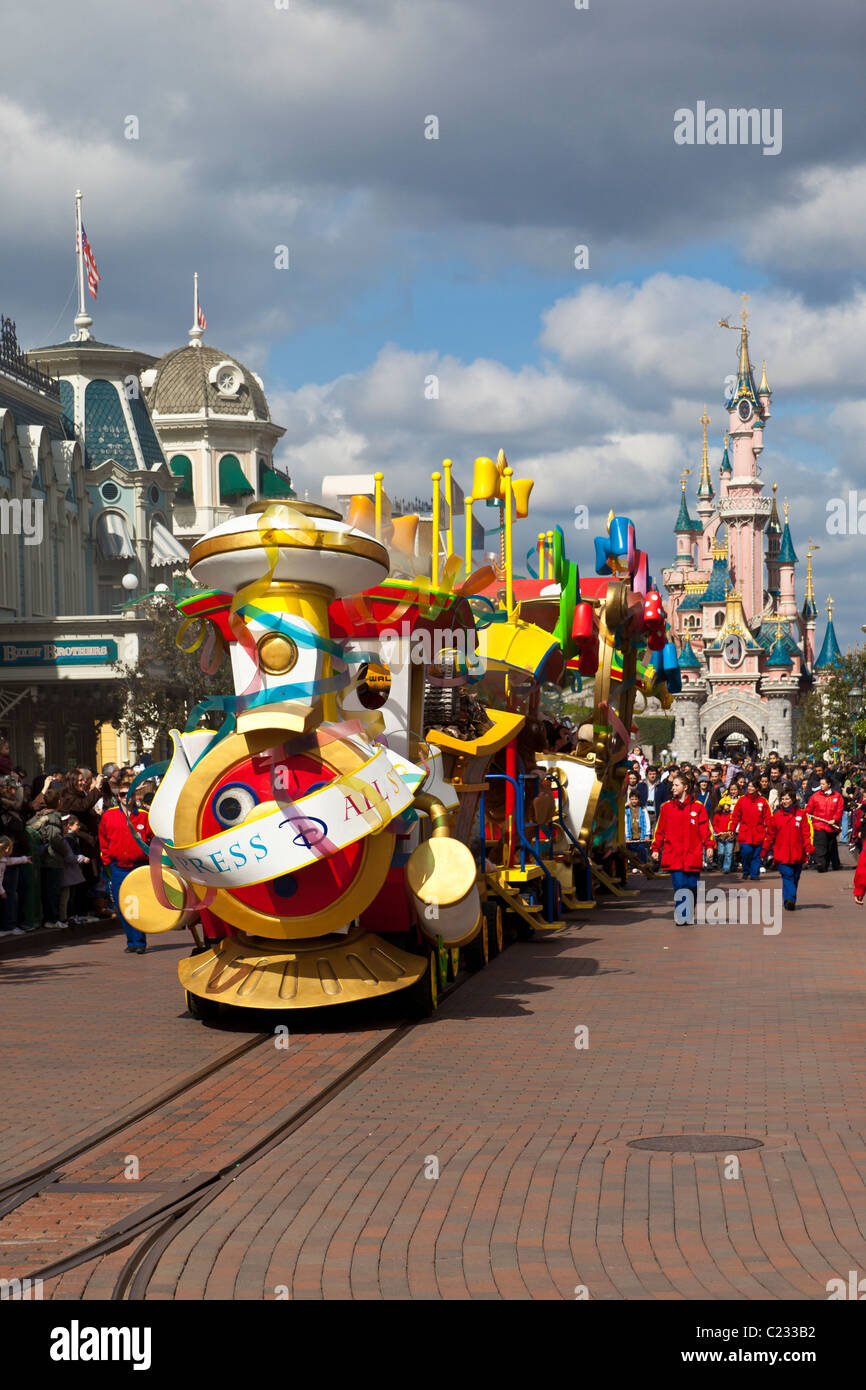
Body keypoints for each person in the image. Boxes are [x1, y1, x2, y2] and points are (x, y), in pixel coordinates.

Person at [650, 772, 715, 924]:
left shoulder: (698, 807)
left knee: (692, 885)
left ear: (685, 787)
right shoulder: (666, 808)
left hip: (693, 853)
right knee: (680, 885)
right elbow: (659, 830)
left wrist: (709, 845)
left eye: (676, 785)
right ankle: (681, 915)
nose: (673, 788)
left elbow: (706, 829)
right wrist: (655, 848)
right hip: (674, 854)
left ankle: (689, 912)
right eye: (673, 785)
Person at [98, 776, 151, 953]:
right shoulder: (109, 815)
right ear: (118, 796)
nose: (125, 798)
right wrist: (107, 860)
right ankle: (131, 941)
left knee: (139, 904)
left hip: (138, 866)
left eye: (129, 794)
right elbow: (103, 840)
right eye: (122, 794)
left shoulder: (144, 816)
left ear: (135, 796)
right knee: (123, 905)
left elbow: (152, 841)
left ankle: (139, 942)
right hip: (117, 867)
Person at [765, 784, 813, 911]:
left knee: (795, 877)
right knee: (787, 875)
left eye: (787, 799)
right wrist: (765, 849)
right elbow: (770, 835)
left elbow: (806, 832)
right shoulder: (776, 816)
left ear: (792, 800)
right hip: (781, 852)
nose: (784, 801)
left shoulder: (801, 815)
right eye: (783, 799)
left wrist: (808, 846)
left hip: (797, 852)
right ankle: (790, 899)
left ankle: (788, 900)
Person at [27, 787, 66, 928]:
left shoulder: (38, 815)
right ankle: (52, 919)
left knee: (44, 890)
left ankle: (45, 917)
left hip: (40, 858)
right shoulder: (54, 817)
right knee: (52, 890)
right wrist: (65, 852)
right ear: (59, 802)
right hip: (52, 859)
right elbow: (55, 838)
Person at [731, 777, 773, 881]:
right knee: (746, 853)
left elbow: (768, 817)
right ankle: (746, 871)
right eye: (749, 786)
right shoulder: (742, 800)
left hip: (758, 832)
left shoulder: (763, 801)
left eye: (752, 786)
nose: (750, 788)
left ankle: (754, 874)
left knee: (756, 855)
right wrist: (731, 829)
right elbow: (735, 816)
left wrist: (770, 829)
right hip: (745, 832)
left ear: (757, 788)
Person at [805, 775, 845, 873]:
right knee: (820, 844)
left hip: (831, 826)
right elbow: (809, 809)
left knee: (829, 846)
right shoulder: (815, 796)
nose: (821, 786)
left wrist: (834, 820)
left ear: (829, 785)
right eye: (820, 784)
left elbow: (839, 810)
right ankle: (820, 864)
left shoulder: (837, 796)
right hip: (819, 825)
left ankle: (825, 864)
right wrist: (803, 812)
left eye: (823, 784)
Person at [712, 790, 738, 874]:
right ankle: (720, 865)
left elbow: (734, 823)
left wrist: (731, 832)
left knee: (729, 853)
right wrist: (719, 832)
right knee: (721, 853)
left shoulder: (731, 815)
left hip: (729, 836)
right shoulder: (717, 815)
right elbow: (715, 825)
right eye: (727, 805)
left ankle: (726, 868)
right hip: (720, 836)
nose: (729, 806)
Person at [624, 792, 651, 865]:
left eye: (636, 799)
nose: (634, 801)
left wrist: (647, 834)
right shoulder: (626, 809)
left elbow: (646, 821)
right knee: (632, 851)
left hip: (641, 835)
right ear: (629, 799)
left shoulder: (642, 809)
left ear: (638, 799)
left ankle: (643, 865)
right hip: (631, 835)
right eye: (632, 799)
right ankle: (634, 866)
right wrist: (627, 836)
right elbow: (626, 823)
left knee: (642, 850)